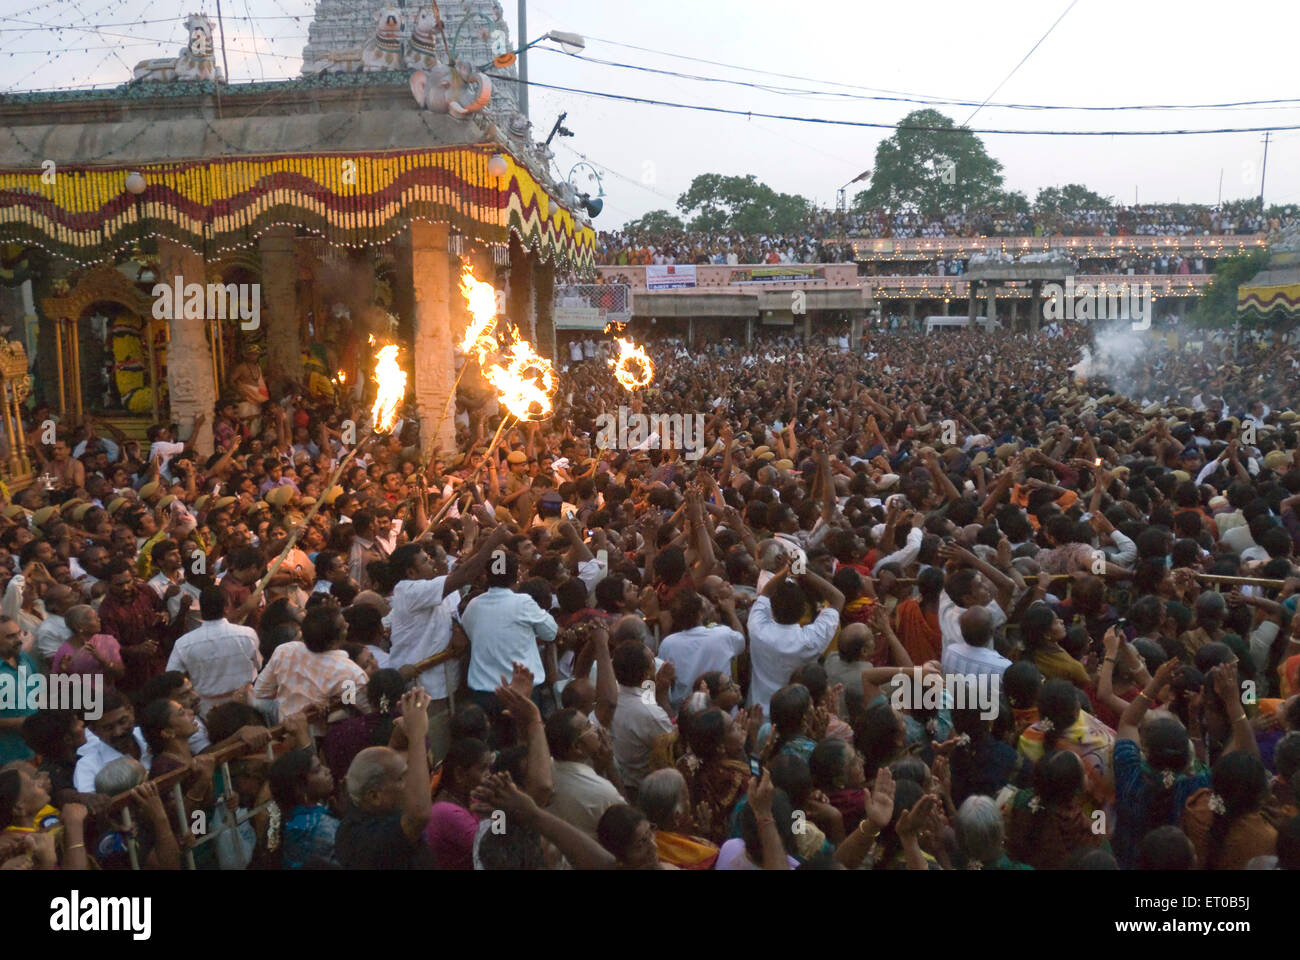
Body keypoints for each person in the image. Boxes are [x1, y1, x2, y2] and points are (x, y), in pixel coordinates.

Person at [460, 549, 557, 746]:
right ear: (516, 575)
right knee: (525, 751)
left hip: (483, 695)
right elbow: (550, 632)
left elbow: (471, 633)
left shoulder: (473, 605)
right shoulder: (523, 602)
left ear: (487, 575)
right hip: (523, 694)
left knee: (490, 753)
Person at [336, 687, 434, 869]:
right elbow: (419, 814)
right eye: (401, 779)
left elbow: (388, 768)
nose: (409, 784)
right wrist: (417, 734)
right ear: (374, 796)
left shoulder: (366, 813)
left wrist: (399, 736)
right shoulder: (367, 835)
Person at [746, 564, 843, 711]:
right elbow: (838, 599)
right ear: (803, 610)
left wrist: (787, 570)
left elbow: (765, 592)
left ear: (771, 609)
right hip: (795, 715)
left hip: (756, 713)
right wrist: (804, 571)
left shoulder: (757, 629)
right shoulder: (810, 640)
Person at [166, 585, 262, 716]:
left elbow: (172, 678)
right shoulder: (247, 635)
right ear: (226, 606)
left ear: (202, 608)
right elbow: (259, 664)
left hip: (208, 711)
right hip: (245, 706)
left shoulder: (184, 643)